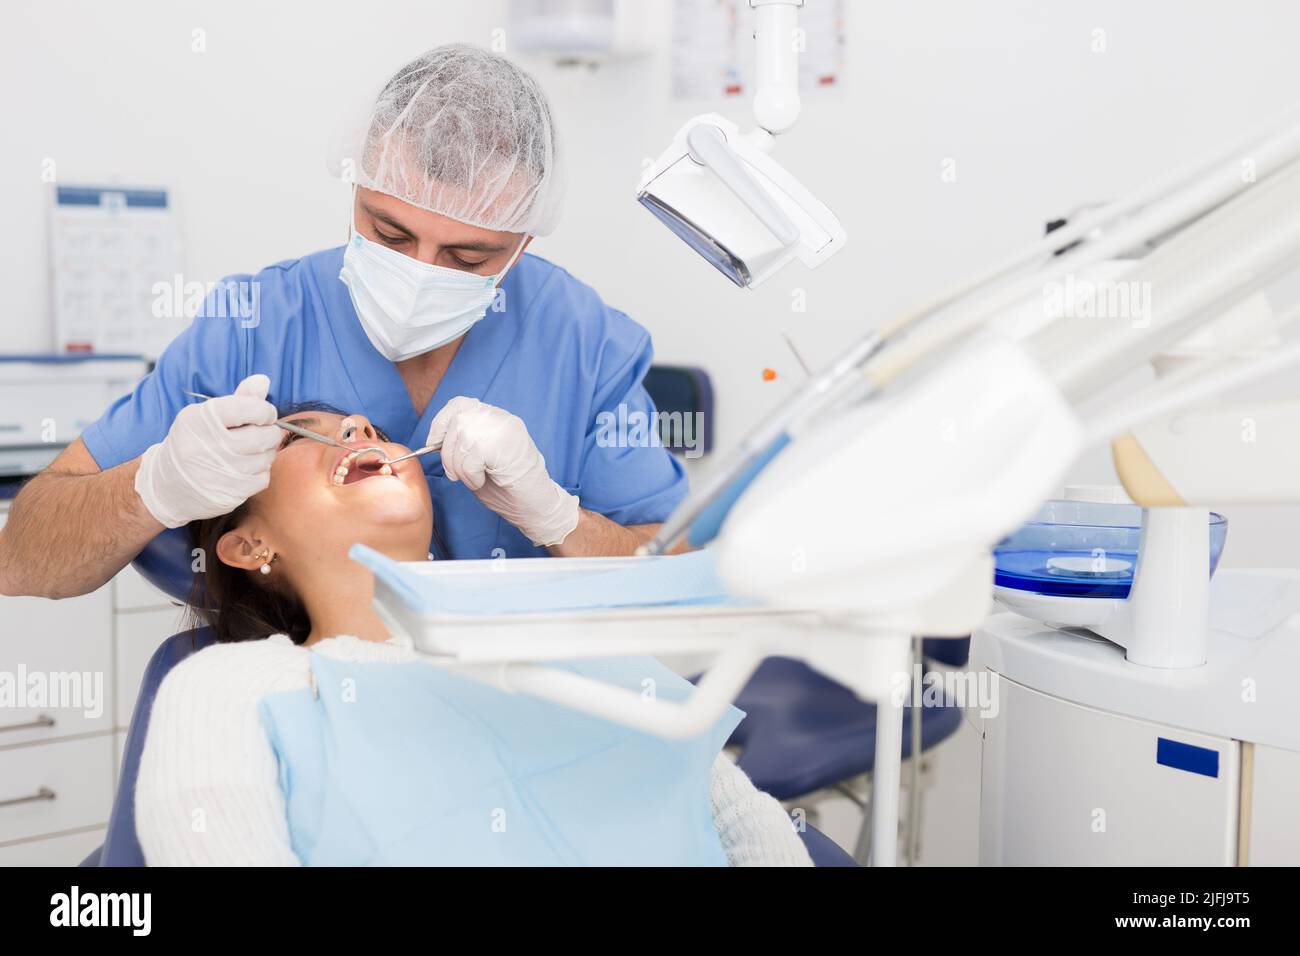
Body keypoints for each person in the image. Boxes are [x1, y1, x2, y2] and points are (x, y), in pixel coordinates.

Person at [0, 44, 686, 599]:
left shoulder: (582, 340)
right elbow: (22, 561)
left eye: (468, 256)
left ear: (523, 246)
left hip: (521, 705)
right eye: (389, 234)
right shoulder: (256, 323)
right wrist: (153, 485)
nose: (421, 272)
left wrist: (556, 517)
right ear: (356, 186)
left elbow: (679, 576)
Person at [134, 405, 810, 866]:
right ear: (248, 545)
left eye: (366, 426)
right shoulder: (229, 689)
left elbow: (738, 819)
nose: (359, 429)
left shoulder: (564, 643)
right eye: (295, 435)